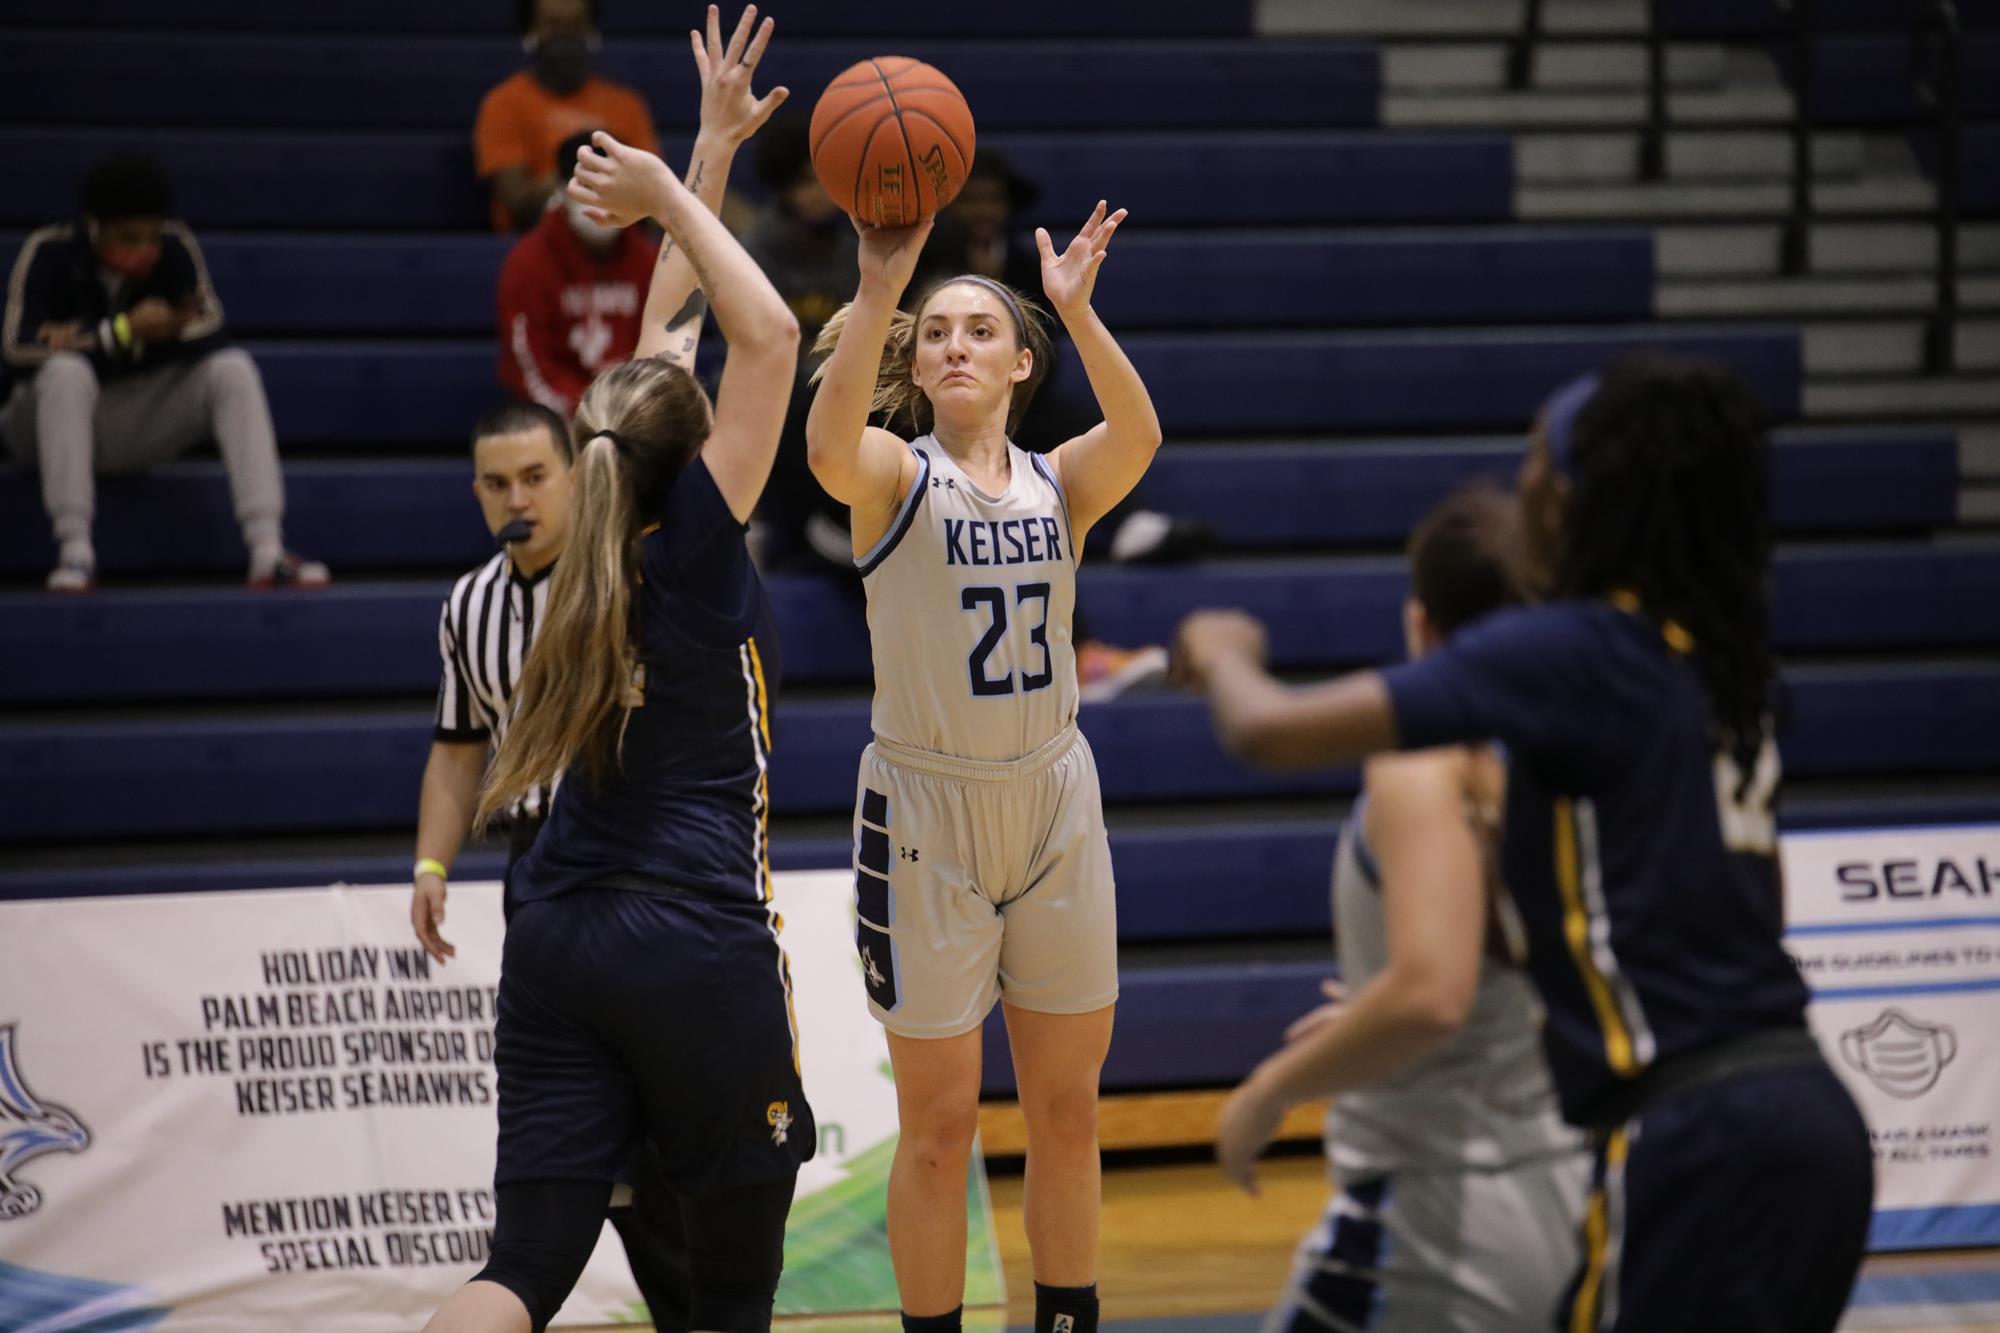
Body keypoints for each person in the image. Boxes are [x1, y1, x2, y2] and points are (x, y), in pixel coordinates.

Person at [1173, 355, 1874, 1333]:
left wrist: (1221, 649)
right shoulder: (1714, 666)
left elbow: (1268, 731)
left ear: (1570, 497)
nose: (1523, 481)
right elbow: (1594, 915)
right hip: (1808, 1119)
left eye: (1533, 461)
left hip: (1693, 1128)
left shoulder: (1577, 649)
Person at [419, 16, 804, 1333]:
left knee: (515, 1273)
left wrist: (698, 152)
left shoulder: (586, 520)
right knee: (734, 1298)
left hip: (556, 937)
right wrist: (675, 193)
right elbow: (762, 337)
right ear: (693, 452)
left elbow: (666, 341)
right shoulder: (691, 536)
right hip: (688, 940)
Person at [804, 185, 1162, 1333]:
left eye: (983, 330)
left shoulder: (1063, 481)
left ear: (1018, 365)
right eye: (940, 331)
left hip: (1054, 799)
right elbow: (820, 443)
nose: (957, 342)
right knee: (941, 1126)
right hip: (926, 815)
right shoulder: (893, 476)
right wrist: (876, 290)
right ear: (921, 362)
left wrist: (1077, 311)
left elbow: (1142, 435)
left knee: (1066, 1108)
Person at [1213, 483, 1589, 1333]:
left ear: (1421, 624)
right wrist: (1368, 1016)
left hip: (1437, 1212)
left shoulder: (1424, 753)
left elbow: (1430, 992)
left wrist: (1267, 1094)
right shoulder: (1572, 749)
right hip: (1567, 1192)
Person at [1, 155, 327, 592]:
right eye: (127, 238)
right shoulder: (49, 250)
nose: (142, 251)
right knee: (64, 373)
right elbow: (17, 349)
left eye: (150, 237)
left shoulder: (175, 247)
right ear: (93, 226)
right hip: (43, 431)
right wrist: (119, 332)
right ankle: (75, 550)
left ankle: (267, 549)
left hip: (134, 419)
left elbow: (210, 327)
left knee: (233, 369)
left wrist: (123, 337)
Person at [497, 129, 660, 417]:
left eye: (607, 188)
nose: (596, 199)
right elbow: (529, 367)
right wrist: (586, 416)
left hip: (632, 419)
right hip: (557, 421)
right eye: (586, 187)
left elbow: (661, 353)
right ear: (562, 190)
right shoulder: (528, 263)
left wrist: (631, 415)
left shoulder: (650, 261)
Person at [476, 0, 660, 232]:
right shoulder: (503, 103)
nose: (565, 35)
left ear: (591, 31)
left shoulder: (627, 104)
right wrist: (584, 170)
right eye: (553, 25)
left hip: (618, 240)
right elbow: (516, 201)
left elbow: (651, 190)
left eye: (576, 25)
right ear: (531, 31)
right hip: (537, 241)